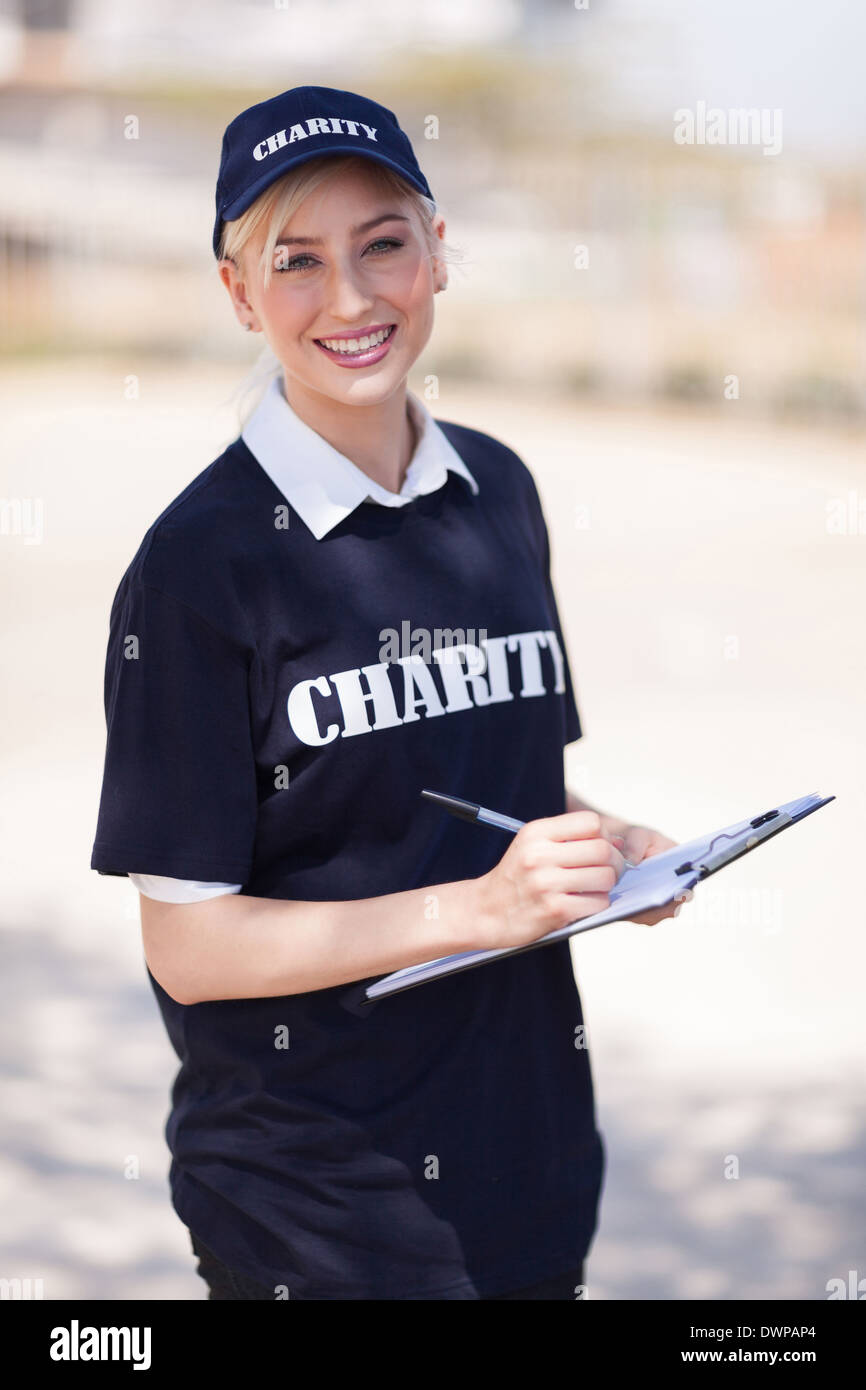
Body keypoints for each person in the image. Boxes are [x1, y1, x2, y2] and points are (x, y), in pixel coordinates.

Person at [90, 85, 685, 1301]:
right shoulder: (200, 569)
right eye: (297, 261)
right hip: (313, 1207)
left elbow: (464, 777)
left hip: (526, 1164)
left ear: (438, 251)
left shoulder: (500, 492)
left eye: (383, 244)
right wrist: (480, 907)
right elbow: (190, 944)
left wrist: (597, 845)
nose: (353, 300)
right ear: (239, 293)